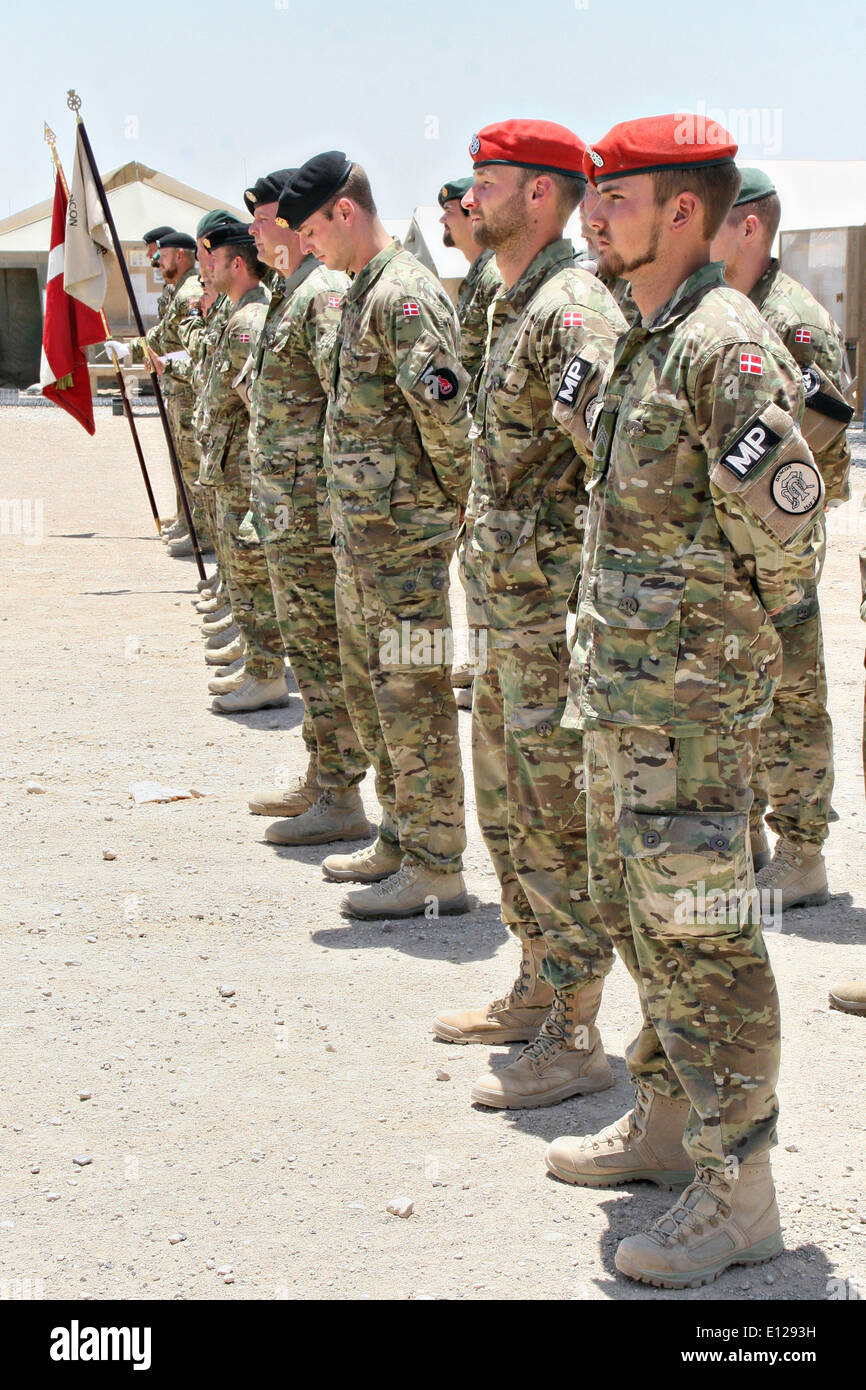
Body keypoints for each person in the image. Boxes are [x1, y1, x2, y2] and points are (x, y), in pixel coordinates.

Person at [547, 114, 824, 1289]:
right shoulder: (645, 336)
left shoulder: (726, 346)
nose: (590, 214)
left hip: (689, 706)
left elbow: (787, 534)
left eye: (615, 197)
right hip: (626, 697)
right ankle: (668, 1125)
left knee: (704, 937)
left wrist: (709, 645)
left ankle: (741, 1191)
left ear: (680, 212)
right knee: (644, 916)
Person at [432, 120, 626, 1111]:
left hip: (550, 624)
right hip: (506, 617)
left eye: (488, 180)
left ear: (540, 194)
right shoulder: (511, 299)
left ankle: (574, 1032)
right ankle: (533, 986)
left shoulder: (568, 309)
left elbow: (618, 458)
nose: (472, 196)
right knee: (508, 819)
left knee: (553, 829)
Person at [278, 152, 472, 918]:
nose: (308, 246)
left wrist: (448, 515)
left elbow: (449, 422)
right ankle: (400, 833)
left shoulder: (407, 297)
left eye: (313, 230)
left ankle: (437, 864)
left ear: (347, 213)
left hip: (406, 545)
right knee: (374, 695)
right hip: (365, 543)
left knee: (414, 697)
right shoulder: (364, 292)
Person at [711, 169, 854, 906]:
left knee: (795, 696)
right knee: (739, 693)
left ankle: (803, 853)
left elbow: (823, 441)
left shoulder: (793, 318)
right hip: (728, 549)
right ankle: (749, 836)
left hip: (780, 548)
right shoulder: (721, 308)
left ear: (750, 228)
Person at [238, 168, 371, 843]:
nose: (255, 232)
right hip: (288, 515)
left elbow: (342, 404)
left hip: (314, 517)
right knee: (309, 647)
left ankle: (342, 797)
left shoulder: (319, 295)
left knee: (322, 653)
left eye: (262, 219)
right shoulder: (288, 296)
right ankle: (324, 775)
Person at [194, 219, 288, 714]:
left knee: (252, 572)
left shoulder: (251, 320)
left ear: (236, 263)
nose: (205, 268)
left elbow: (259, 403)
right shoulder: (237, 314)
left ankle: (267, 671)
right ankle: (258, 660)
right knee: (242, 570)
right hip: (228, 465)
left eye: (212, 259)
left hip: (244, 470)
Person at [437, 177, 504, 709]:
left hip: (489, 440)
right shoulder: (481, 277)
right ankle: (480, 662)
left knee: (481, 562)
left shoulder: (493, 279)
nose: (444, 223)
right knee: (472, 561)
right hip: (478, 436)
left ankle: (487, 667)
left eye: (450, 213)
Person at [144, 231, 210, 558]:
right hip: (176, 386)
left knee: (192, 463)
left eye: (161, 255)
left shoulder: (189, 295)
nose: (155, 261)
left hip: (187, 389)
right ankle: (188, 519)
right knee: (181, 461)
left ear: (180, 255)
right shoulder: (178, 291)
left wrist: (148, 351)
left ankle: (201, 529)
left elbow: (188, 349)